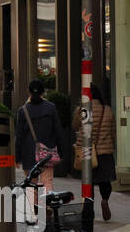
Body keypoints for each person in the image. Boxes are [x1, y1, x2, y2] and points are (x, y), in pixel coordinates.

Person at [15, 79, 66, 203]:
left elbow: (19, 136)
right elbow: (59, 131)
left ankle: (34, 214)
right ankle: (48, 207)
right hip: (46, 154)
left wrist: (17, 157)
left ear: (29, 92)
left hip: (28, 154)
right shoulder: (51, 108)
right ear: (43, 92)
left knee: (31, 184)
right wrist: (62, 152)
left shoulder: (23, 111)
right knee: (47, 181)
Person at [72, 86, 116, 220]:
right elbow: (113, 132)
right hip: (104, 151)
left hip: (87, 151)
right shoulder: (107, 109)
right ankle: (105, 200)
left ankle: (88, 208)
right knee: (105, 180)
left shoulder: (84, 109)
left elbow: (75, 126)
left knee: (88, 180)